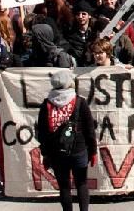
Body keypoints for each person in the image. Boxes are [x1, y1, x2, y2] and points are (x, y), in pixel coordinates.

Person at [36, 70, 97, 211]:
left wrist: (45, 154)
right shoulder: (80, 101)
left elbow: (42, 132)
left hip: (56, 152)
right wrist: (93, 151)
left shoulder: (46, 104)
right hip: (79, 150)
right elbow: (89, 129)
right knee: (81, 183)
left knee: (64, 186)